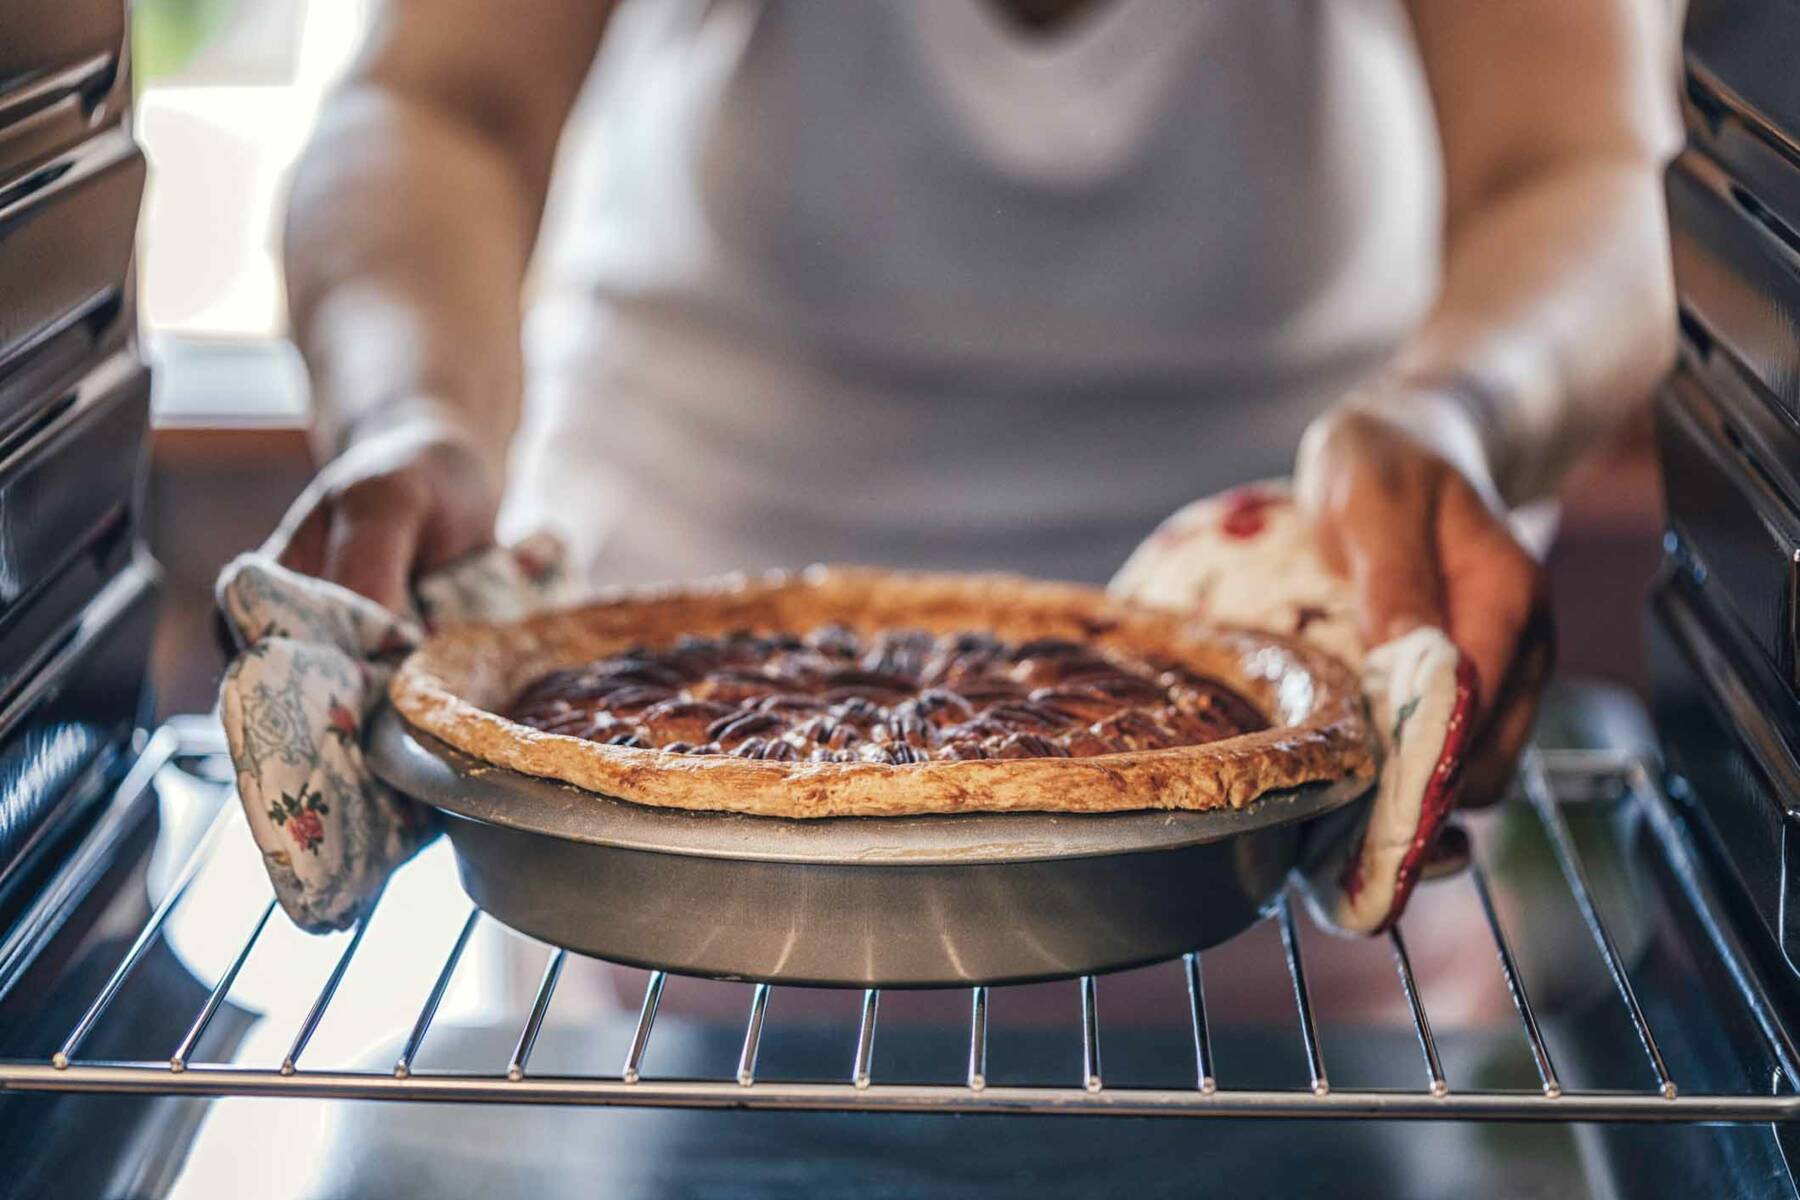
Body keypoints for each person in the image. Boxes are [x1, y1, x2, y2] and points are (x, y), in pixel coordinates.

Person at [273, 0, 1680, 809]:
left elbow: (1577, 175)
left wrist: (1455, 412)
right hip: (651, 721)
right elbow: (435, 107)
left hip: (1288, 729)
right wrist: (417, 414)